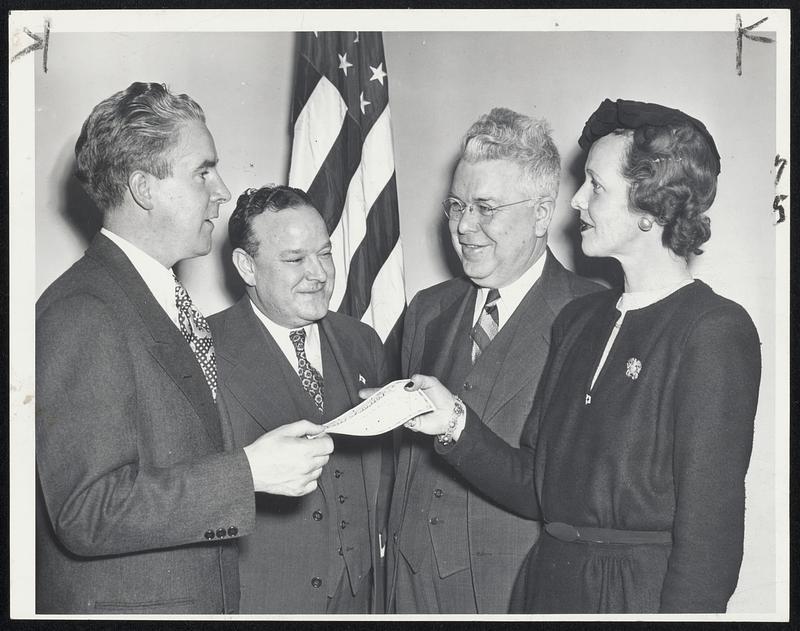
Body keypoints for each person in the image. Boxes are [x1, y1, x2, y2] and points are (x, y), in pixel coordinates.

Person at [402, 98, 761, 613]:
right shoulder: (578, 321)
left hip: (636, 599)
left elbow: (711, 541)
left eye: (595, 185)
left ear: (651, 205)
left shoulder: (713, 330)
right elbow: (537, 487)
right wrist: (454, 422)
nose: (575, 201)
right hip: (546, 589)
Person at [35, 83, 334, 614]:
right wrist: (248, 473)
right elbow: (86, 511)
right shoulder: (83, 309)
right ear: (144, 188)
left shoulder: (158, 297)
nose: (222, 190)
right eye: (203, 172)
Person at [385, 108, 600, 613]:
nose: (464, 226)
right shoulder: (427, 310)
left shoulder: (592, 315)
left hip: (514, 591)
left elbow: (574, 487)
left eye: (486, 208)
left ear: (542, 214)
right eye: (457, 205)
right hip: (408, 585)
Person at [208, 185, 391, 613]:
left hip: (359, 597)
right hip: (262, 602)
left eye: (324, 253)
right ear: (246, 266)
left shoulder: (361, 341)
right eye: (295, 260)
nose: (319, 274)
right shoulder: (203, 349)